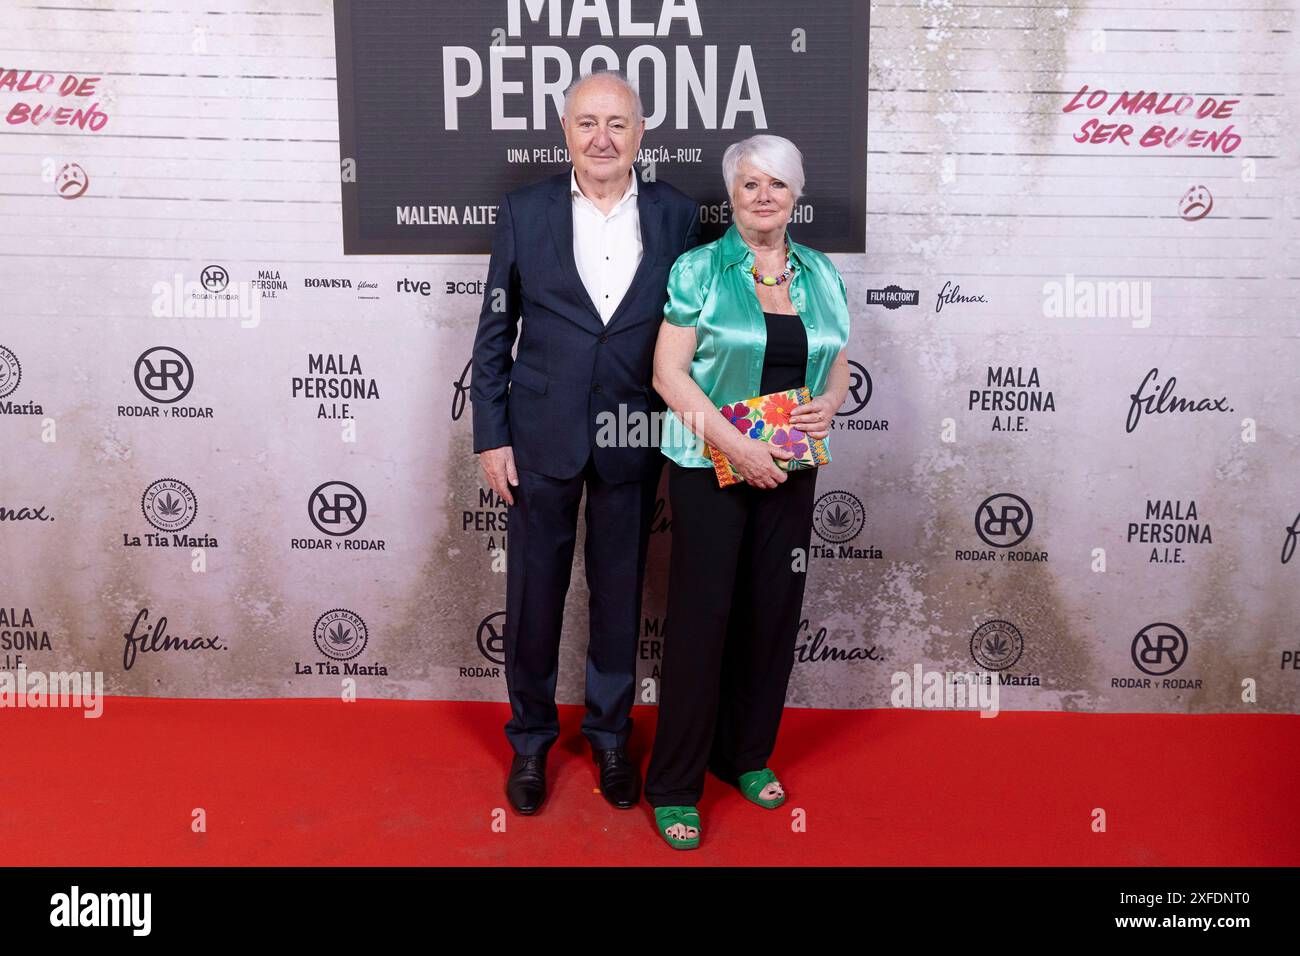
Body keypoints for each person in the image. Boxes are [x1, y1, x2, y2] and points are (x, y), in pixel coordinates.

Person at [471, 70, 701, 816]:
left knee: (619, 595)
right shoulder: (524, 210)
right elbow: (495, 333)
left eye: (618, 123)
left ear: (641, 133)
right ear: (564, 130)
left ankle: (608, 736)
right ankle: (532, 740)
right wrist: (491, 435)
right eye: (587, 122)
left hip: (635, 433)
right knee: (535, 596)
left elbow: (695, 330)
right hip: (539, 434)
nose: (602, 137)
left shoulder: (675, 214)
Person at [644, 134, 852, 849]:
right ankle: (674, 785)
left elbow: (836, 365)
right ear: (731, 195)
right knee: (702, 625)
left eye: (778, 185)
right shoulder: (699, 269)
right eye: (750, 185)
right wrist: (736, 447)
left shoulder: (822, 272)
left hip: (792, 467)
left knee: (771, 616)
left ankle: (746, 755)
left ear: (797, 194)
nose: (764, 196)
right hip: (712, 468)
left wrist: (832, 401)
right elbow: (668, 375)